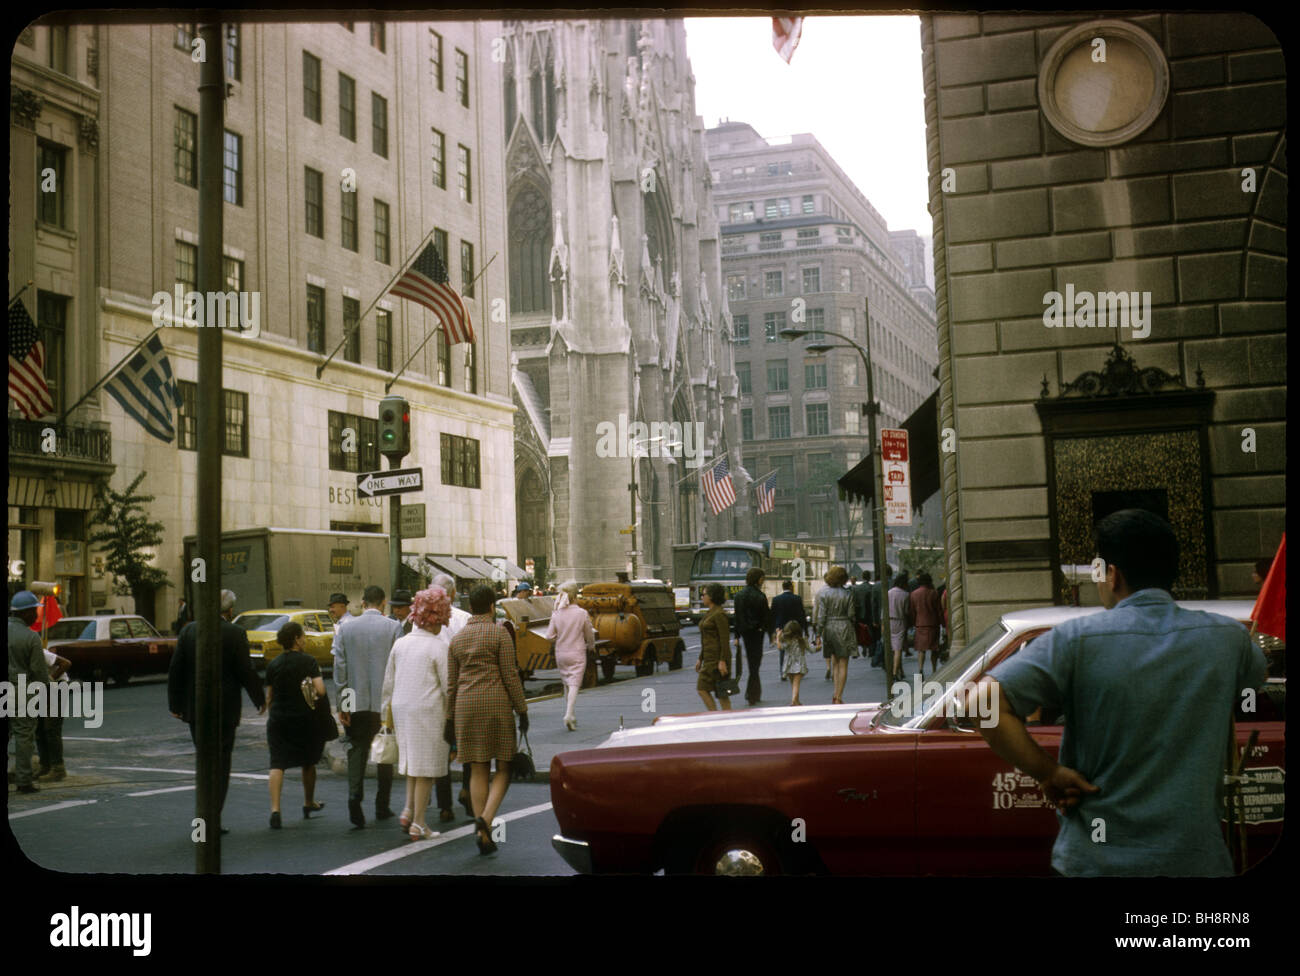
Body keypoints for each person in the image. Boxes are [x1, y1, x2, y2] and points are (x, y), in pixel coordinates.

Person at [969, 509, 1268, 876]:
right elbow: (1254, 678)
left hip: (1097, 863)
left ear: (1112, 575)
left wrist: (1048, 773)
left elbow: (982, 702)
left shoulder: (1074, 640)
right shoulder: (1228, 639)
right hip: (1195, 861)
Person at [167, 589, 266, 819]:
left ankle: (203, 811)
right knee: (221, 763)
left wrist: (176, 704)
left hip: (196, 708)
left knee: (204, 758)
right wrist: (259, 698)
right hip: (225, 708)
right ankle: (213, 815)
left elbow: (176, 669)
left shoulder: (188, 631)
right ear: (229, 610)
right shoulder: (235, 633)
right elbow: (245, 670)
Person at [447, 585, 528, 855]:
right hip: (495, 704)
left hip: (465, 706)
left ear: (470, 607)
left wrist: (449, 718)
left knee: (478, 767)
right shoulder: (499, 634)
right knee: (504, 767)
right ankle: (487, 818)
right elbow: (510, 675)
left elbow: (451, 685)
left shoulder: (457, 639)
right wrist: (522, 709)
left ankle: (483, 834)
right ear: (492, 607)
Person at [382, 585, 454, 840]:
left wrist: (385, 715)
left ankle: (408, 810)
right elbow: (449, 687)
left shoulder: (401, 644)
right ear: (437, 618)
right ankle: (419, 824)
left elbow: (388, 683)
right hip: (428, 711)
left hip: (403, 709)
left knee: (413, 764)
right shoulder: (438, 647)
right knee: (426, 769)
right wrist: (453, 716)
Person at [332, 584, 404, 829]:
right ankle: (382, 805)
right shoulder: (394, 628)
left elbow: (340, 669)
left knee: (357, 748)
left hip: (356, 698)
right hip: (385, 701)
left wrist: (343, 703)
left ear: (363, 603)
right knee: (385, 750)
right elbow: (398, 667)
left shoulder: (346, 628)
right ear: (383, 602)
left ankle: (355, 795)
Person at [264, 620, 327, 829]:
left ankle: (275, 809)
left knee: (277, 763)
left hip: (278, 718)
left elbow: (269, 696)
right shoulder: (308, 661)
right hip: (303, 718)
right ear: (297, 640)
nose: (305, 640)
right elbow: (320, 690)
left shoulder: (273, 664)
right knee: (308, 762)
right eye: (303, 636)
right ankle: (308, 802)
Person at [430, 573, 473, 820]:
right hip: (463, 687)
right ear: (454, 594)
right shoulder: (464, 618)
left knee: (440, 747)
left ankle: (444, 805)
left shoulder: (421, 619)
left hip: (434, 691)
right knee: (466, 743)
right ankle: (467, 788)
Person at [8, 591, 50, 793]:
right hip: (21, 692)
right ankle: (23, 780)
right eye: (34, 611)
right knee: (24, 737)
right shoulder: (31, 637)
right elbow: (39, 673)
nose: (36, 615)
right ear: (24, 613)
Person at [541, 579, 594, 731]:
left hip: (561, 653)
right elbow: (589, 634)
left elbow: (549, 636)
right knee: (574, 684)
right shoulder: (581, 613)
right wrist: (591, 646)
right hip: (577, 652)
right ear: (575, 595)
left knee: (567, 683)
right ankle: (569, 714)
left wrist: (561, 638)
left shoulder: (556, 613)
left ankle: (572, 715)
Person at [813, 566, 856, 704]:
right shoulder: (848, 594)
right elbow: (851, 614)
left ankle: (835, 692)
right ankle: (839, 695)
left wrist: (818, 634)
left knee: (834, 661)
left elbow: (821, 616)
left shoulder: (824, 594)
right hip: (844, 626)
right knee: (844, 663)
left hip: (829, 628)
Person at [732, 567, 771, 706]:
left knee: (752, 663)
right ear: (758, 579)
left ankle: (754, 692)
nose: (763, 581)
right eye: (762, 578)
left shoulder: (739, 596)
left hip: (744, 633)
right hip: (757, 633)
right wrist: (768, 632)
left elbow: (736, 618)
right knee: (755, 664)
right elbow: (766, 617)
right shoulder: (760, 596)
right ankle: (752, 693)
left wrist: (736, 635)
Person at [36, 645, 72, 781]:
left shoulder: (42, 654)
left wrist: (50, 679)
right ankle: (45, 765)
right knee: (39, 728)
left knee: (51, 728)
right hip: (41, 689)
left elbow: (66, 663)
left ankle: (58, 768)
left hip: (57, 686)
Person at [695, 583, 732, 711]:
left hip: (716, 659)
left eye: (704, 594)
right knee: (719, 692)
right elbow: (705, 639)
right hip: (709, 658)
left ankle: (718, 717)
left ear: (711, 596)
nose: (702, 597)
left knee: (717, 692)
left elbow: (724, 640)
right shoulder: (710, 613)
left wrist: (722, 661)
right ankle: (721, 717)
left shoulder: (719, 614)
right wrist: (700, 658)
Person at [769, 580, 807, 681]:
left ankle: (783, 671)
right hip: (795, 627)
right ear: (791, 587)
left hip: (782, 628)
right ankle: (798, 669)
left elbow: (773, 615)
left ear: (783, 587)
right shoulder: (797, 599)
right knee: (797, 649)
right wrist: (805, 629)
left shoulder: (776, 599)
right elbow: (802, 615)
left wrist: (773, 631)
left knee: (783, 651)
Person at [909, 572, 942, 677]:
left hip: (920, 624)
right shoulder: (934, 593)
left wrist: (913, 622)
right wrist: (943, 623)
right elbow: (939, 610)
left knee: (921, 650)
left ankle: (920, 669)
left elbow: (912, 611)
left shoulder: (913, 594)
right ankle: (934, 669)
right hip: (933, 624)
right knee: (934, 649)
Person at [779, 619, 810, 706]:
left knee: (793, 683)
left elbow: (780, 647)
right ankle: (794, 700)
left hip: (788, 665)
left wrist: (778, 637)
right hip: (799, 665)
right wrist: (818, 647)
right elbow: (811, 649)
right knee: (796, 683)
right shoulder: (802, 640)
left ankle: (796, 700)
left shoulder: (787, 641)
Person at [887, 572, 911, 680]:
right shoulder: (906, 594)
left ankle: (899, 670)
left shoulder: (889, 592)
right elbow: (906, 611)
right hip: (900, 621)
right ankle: (895, 671)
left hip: (889, 621)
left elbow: (884, 609)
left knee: (892, 648)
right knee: (898, 649)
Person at [852, 569, 879, 664]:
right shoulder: (872, 587)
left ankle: (864, 647)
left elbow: (854, 601)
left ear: (862, 577)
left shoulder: (856, 589)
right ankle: (870, 649)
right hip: (870, 613)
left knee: (862, 631)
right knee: (871, 631)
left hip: (860, 614)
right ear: (869, 577)